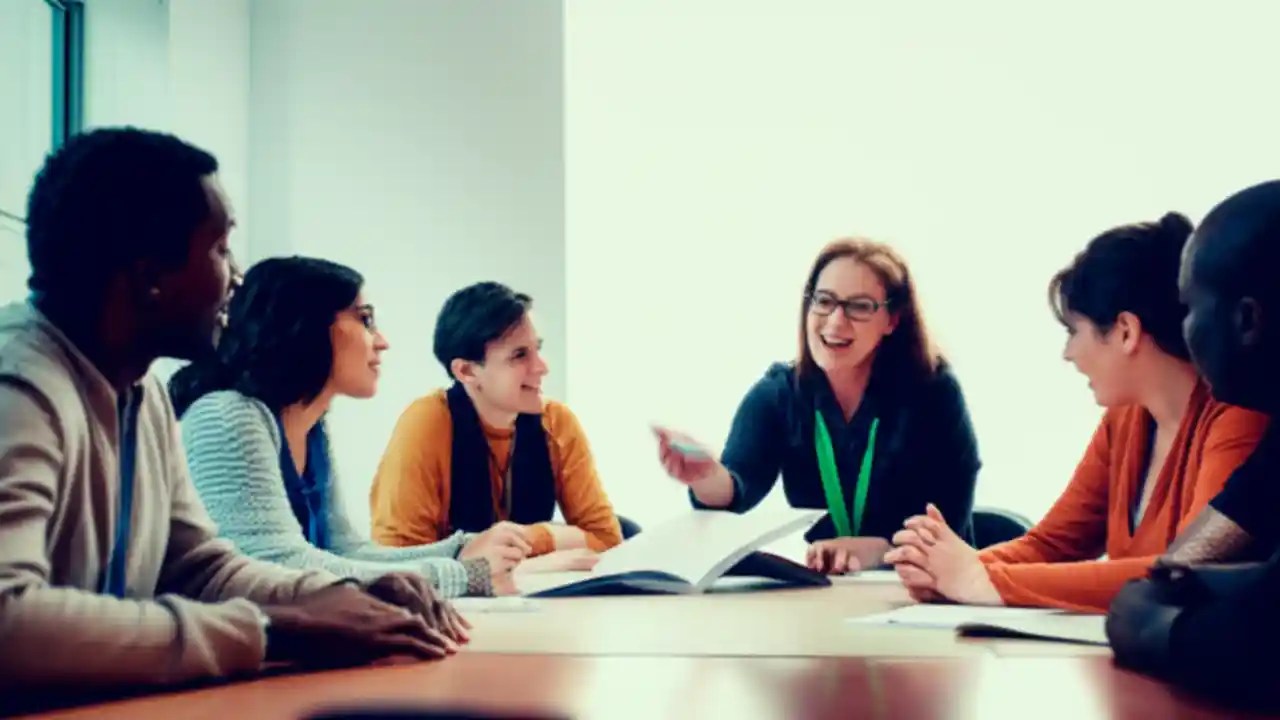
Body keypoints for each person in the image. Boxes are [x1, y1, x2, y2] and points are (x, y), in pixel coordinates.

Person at [0, 127, 466, 695]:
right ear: (150, 277)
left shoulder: (140, 395)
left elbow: (202, 568)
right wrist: (270, 630)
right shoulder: (19, 388)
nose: (236, 279)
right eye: (220, 250)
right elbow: (8, 621)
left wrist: (339, 596)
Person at [886, 213, 1268, 612]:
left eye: (1073, 331)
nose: (1068, 353)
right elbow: (1053, 544)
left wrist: (980, 579)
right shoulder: (1125, 417)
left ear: (1125, 331)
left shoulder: (1237, 417)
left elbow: (1184, 575)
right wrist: (950, 572)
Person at [169, 257, 536, 598]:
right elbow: (276, 564)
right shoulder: (227, 415)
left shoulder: (312, 429)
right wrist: (465, 574)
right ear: (307, 325)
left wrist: (459, 550)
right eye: (365, 319)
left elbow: (343, 551)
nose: (382, 342)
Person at [654, 238, 981, 575]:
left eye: (860, 307)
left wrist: (881, 550)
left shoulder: (934, 392)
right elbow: (737, 490)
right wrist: (705, 475)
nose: (836, 321)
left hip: (924, 590)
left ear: (892, 320)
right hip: (831, 591)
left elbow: (949, 529)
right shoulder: (779, 394)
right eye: (824, 301)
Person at [1107, 180, 1280, 710]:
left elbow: (1255, 644)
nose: (1183, 330)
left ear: (1247, 320)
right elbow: (1192, 559)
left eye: (1188, 308)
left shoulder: (1235, 421)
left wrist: (1149, 625)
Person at [369, 281, 622, 558]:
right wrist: (557, 540)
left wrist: (528, 539)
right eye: (519, 355)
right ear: (466, 371)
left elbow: (607, 539)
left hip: (526, 584)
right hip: (456, 588)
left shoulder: (556, 421)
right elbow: (397, 558)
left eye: (537, 349)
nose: (542, 367)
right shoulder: (426, 423)